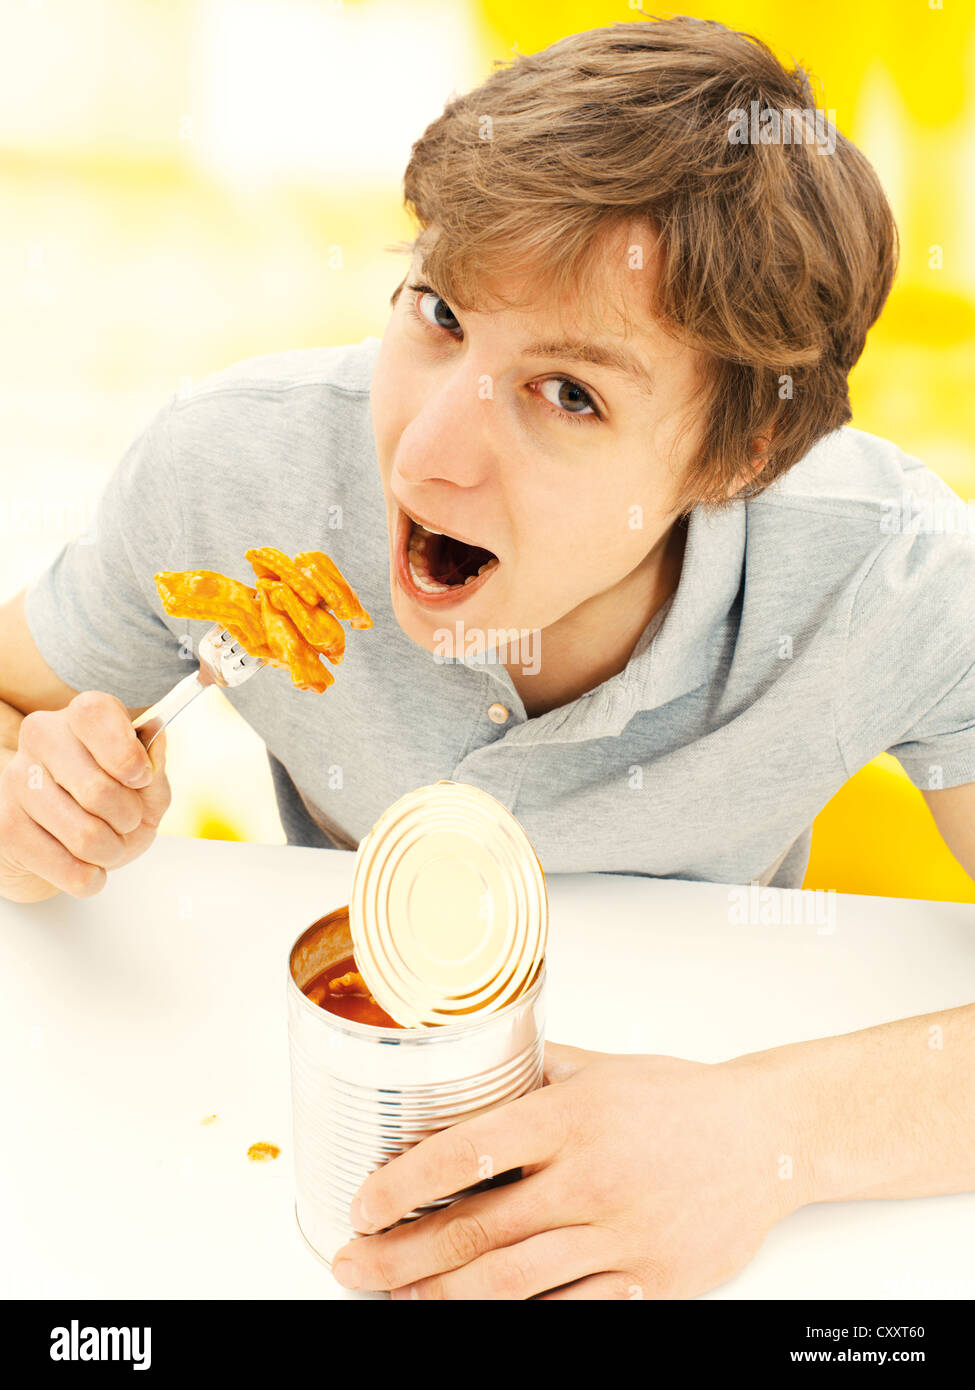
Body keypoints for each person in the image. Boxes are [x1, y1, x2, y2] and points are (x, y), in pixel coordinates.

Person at [1, 17, 973, 1300]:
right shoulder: (232, 477)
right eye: (442, 312)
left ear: (739, 462)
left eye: (569, 393)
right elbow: (15, 702)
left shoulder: (888, 575)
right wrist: (34, 799)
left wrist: (763, 1137)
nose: (424, 459)